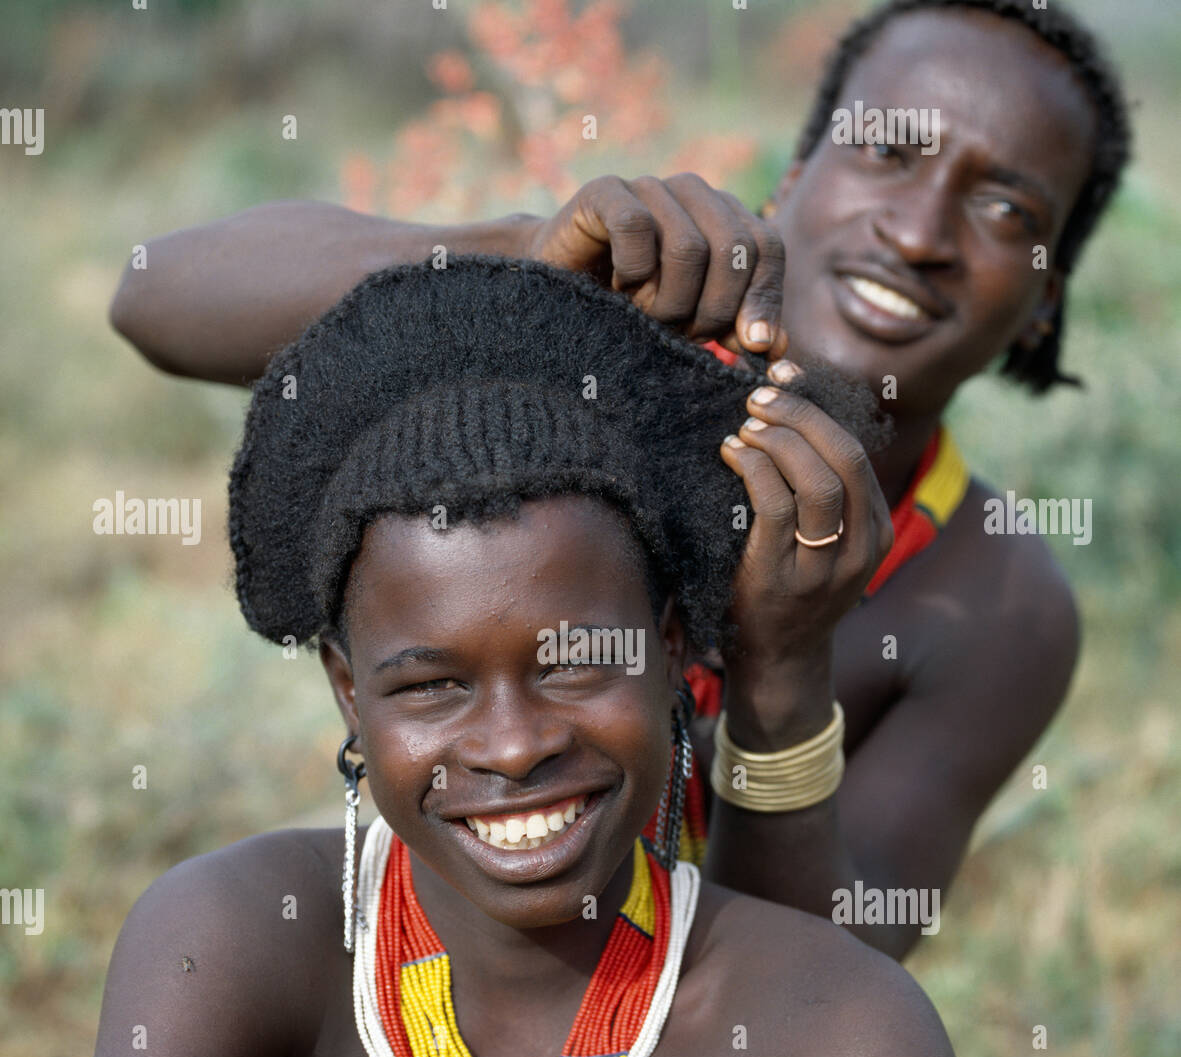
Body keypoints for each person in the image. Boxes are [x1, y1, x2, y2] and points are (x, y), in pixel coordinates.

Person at [6, 259, 1008, 1057]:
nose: (513, 742)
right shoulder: (230, 936)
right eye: (431, 685)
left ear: (670, 647)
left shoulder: (831, 1016)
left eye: (573, 662)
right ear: (350, 694)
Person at [107, 0, 1133, 962]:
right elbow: (156, 294)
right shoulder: (592, 375)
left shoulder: (993, 599)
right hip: (426, 987)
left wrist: (783, 669)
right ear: (795, 175)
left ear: (1043, 297)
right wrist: (514, 270)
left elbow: (837, 978)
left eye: (1002, 205)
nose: (916, 235)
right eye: (884, 154)